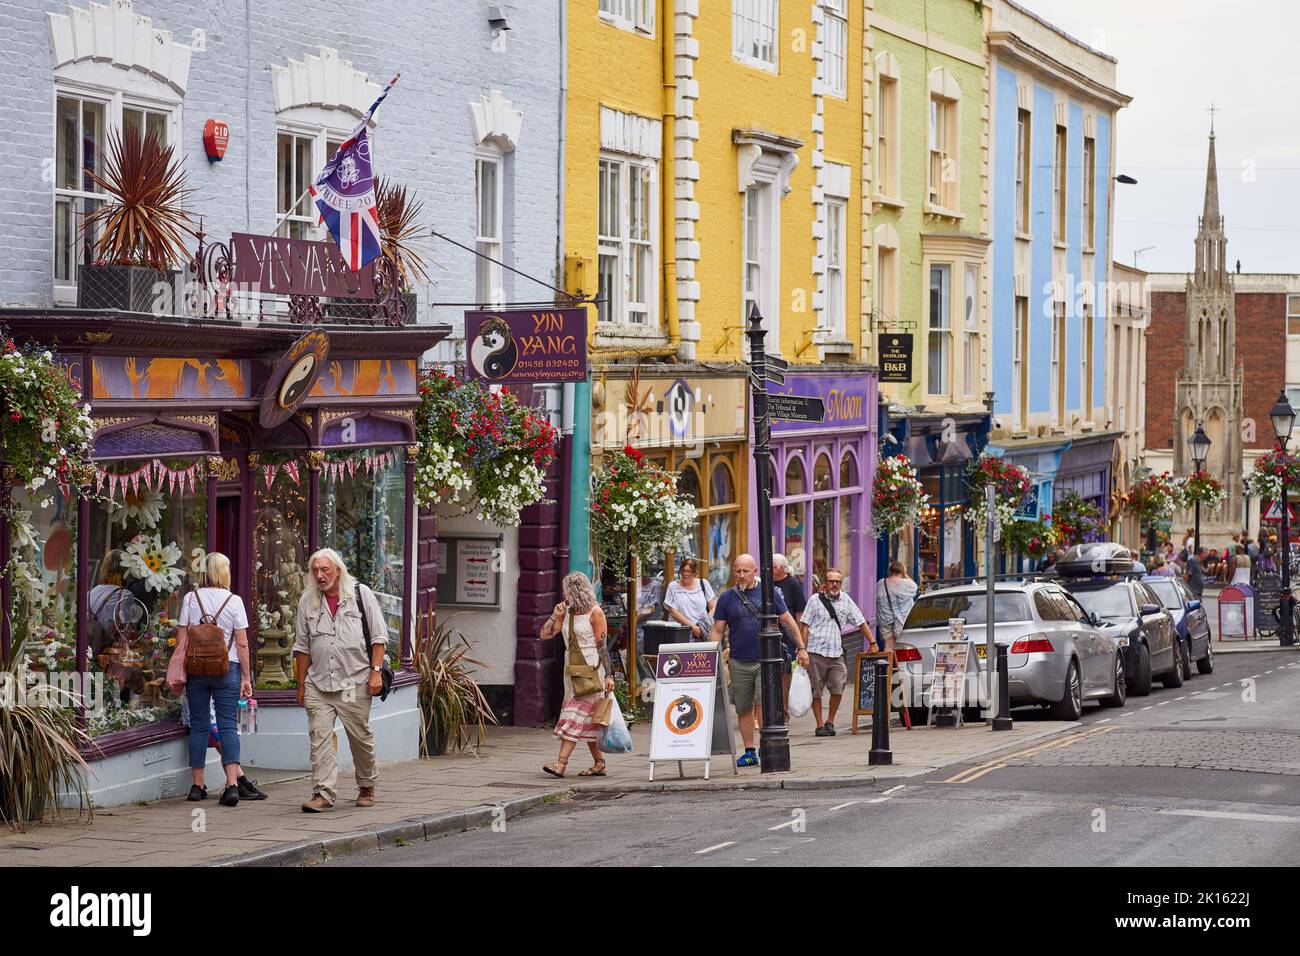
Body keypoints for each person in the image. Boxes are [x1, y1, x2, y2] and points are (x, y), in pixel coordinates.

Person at [294, 548, 388, 812]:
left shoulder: (360, 594)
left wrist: (376, 672)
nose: (320, 576)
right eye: (315, 571)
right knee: (319, 738)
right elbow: (302, 647)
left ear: (338, 570)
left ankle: (367, 784)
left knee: (359, 736)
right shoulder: (307, 601)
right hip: (319, 683)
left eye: (325, 570)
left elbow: (379, 638)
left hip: (352, 682)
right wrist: (301, 685)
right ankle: (323, 793)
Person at [174, 552, 266, 806]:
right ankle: (232, 785)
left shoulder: (191, 598)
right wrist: (247, 677)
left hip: (197, 671)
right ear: (224, 572)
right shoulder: (234, 601)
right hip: (228, 668)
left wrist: (180, 670)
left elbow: (182, 639)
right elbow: (242, 643)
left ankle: (197, 785)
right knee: (227, 725)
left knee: (199, 725)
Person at [709, 554, 808, 767]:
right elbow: (718, 629)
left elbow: (788, 621)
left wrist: (801, 648)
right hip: (738, 661)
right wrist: (711, 655)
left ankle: (767, 746)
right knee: (743, 708)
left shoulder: (769, 594)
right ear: (733, 571)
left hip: (766, 660)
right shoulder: (727, 598)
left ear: (755, 571)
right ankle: (750, 751)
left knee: (763, 705)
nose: (742, 575)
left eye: (746, 571)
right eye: (738, 571)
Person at [539, 572, 615, 778]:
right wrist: (555, 615)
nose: (564, 593)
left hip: (591, 670)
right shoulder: (567, 613)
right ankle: (599, 763)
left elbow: (602, 646)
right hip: (571, 671)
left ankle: (560, 763)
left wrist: (609, 675)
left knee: (574, 714)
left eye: (567, 590)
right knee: (589, 719)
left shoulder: (596, 613)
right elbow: (545, 634)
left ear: (575, 591)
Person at [799, 569, 877, 736]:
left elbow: (860, 621)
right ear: (825, 583)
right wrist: (802, 649)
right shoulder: (814, 601)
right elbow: (804, 626)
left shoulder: (846, 600)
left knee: (838, 687)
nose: (834, 584)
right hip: (815, 651)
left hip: (836, 653)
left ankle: (830, 721)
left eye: (837, 581)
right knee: (816, 690)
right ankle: (820, 724)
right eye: (831, 581)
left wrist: (872, 642)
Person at [771, 553, 807, 714]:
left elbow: (800, 613)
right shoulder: (765, 584)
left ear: (782, 568)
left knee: (785, 673)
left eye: (773, 567)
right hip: (770, 635)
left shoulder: (792, 583)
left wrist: (799, 640)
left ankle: (784, 709)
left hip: (788, 637)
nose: (770, 570)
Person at [663, 558, 717, 640]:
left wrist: (704, 623)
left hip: (701, 633)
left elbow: (713, 607)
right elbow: (673, 612)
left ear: (695, 572)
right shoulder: (673, 587)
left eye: (689, 571)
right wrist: (692, 627)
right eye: (683, 571)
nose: (685, 573)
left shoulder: (703, 584)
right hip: (679, 633)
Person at [875, 561, 917, 653]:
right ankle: (899, 666)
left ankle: (888, 666)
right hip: (901, 620)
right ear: (902, 571)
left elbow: (877, 599)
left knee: (888, 646)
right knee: (902, 646)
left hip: (885, 619)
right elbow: (915, 588)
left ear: (889, 571)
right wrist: (905, 575)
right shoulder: (907, 584)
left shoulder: (881, 583)